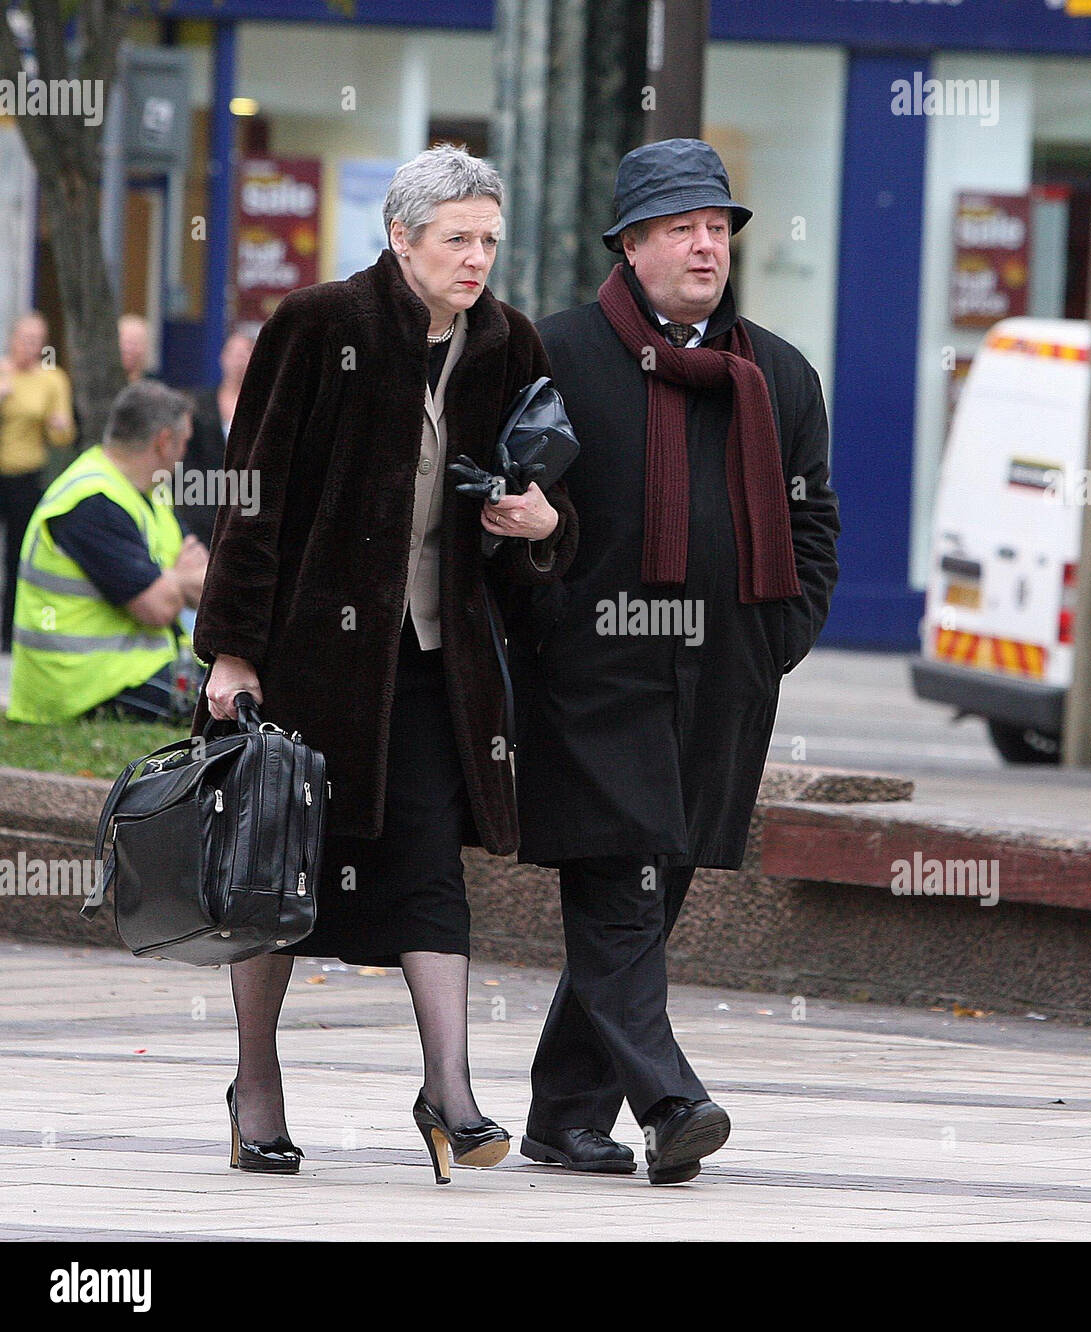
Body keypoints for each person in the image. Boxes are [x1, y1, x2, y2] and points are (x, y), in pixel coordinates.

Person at [190, 144, 577, 1182]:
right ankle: (256, 1085)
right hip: (305, 662)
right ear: (399, 237)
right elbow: (251, 494)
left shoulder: (507, 342)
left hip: (432, 663)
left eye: (490, 239)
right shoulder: (320, 326)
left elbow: (539, 517)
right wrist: (231, 653)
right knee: (278, 866)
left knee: (425, 865)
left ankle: (448, 1094)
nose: (477, 258)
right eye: (458, 238)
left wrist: (538, 522)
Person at [510, 138, 840, 1184]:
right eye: (682, 228)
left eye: (717, 228)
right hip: (596, 679)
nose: (706, 245)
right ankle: (671, 1101)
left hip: (722, 685)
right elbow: (512, 511)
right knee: (619, 886)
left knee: (653, 896)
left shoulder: (776, 375)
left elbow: (814, 523)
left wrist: (775, 640)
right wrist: (552, 626)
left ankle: (564, 1119)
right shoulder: (557, 354)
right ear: (632, 245)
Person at [7, 380, 206, 723]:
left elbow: (207, 582)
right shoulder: (90, 501)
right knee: (227, 707)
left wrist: (170, 582)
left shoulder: (149, 496)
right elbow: (156, 608)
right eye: (184, 442)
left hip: (126, 673)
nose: (184, 454)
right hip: (81, 689)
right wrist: (176, 580)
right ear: (163, 442)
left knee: (235, 694)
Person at [0, 312, 76, 652]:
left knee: (18, 556)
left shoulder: (52, 379)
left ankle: (8, 634)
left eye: (37, 340)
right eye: (24, 339)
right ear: (12, 339)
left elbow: (63, 436)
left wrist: (58, 424)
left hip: (26, 475)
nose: (29, 347)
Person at [177, 329, 255, 547]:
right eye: (234, 353)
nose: (239, 361)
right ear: (222, 357)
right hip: (203, 504)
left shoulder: (268, 405)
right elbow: (186, 458)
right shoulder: (200, 403)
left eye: (246, 353)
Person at [118, 314, 154, 384]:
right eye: (124, 342)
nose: (127, 349)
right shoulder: (99, 388)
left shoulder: (153, 391)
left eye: (134, 343)